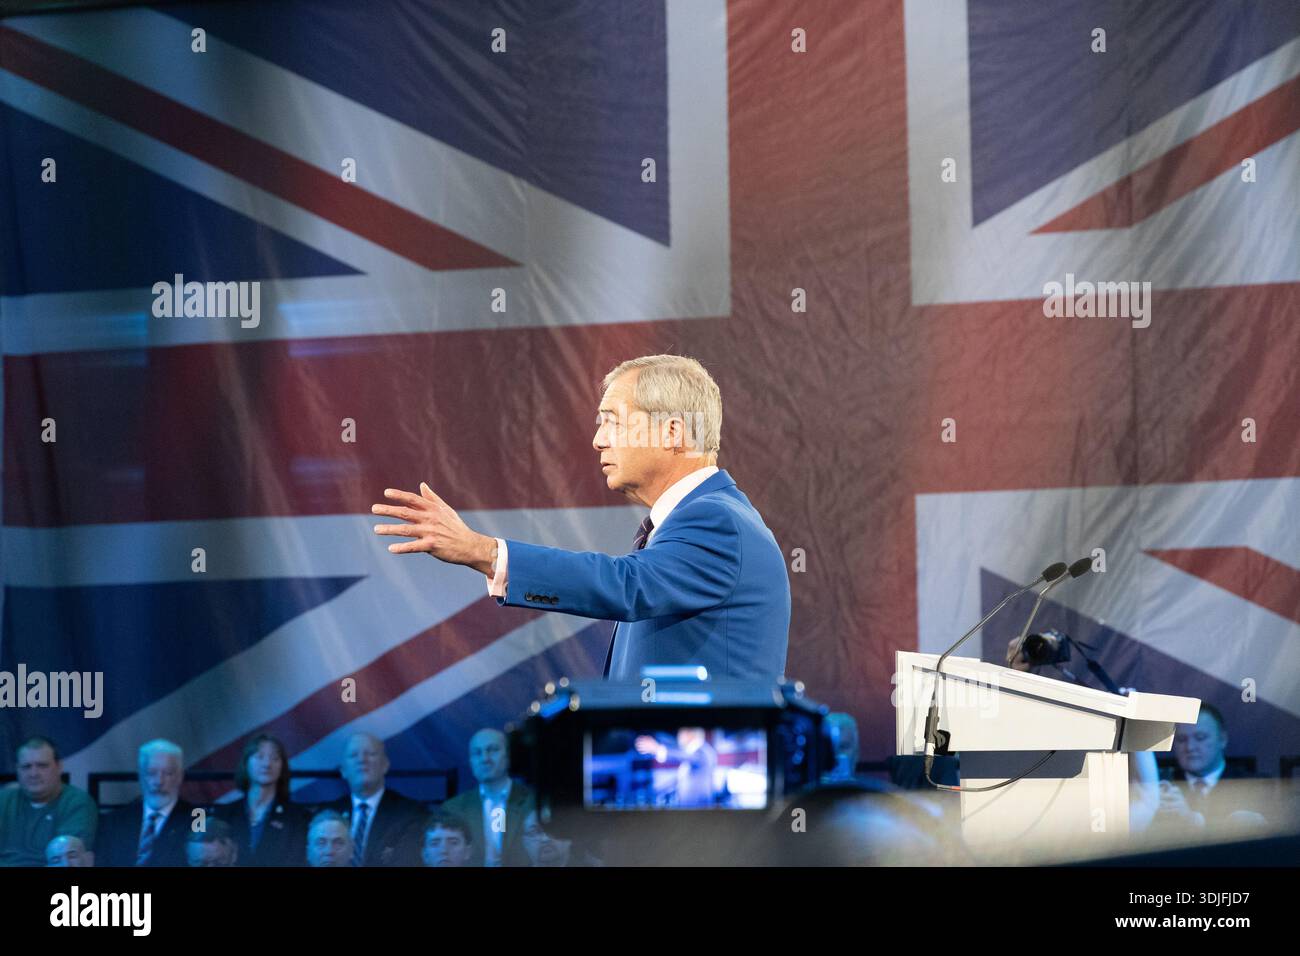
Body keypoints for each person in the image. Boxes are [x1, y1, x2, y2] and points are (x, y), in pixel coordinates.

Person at [371, 354, 791, 681]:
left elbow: (627, 585)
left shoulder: (717, 522)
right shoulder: (696, 520)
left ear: (673, 433)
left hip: (702, 785)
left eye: (612, 422)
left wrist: (483, 552)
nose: (597, 440)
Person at [326, 733, 425, 866]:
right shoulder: (328, 814)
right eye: (353, 755)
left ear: (385, 765)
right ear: (343, 770)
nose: (362, 760)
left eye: (371, 754)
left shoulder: (410, 814)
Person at [96, 739, 196, 867]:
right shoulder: (113, 823)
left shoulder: (196, 820)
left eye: (168, 773)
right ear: (140, 775)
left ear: (180, 776)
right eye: (151, 773)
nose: (159, 781)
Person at [212, 733, 308, 866]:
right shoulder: (224, 814)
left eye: (274, 758)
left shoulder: (297, 817)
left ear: (282, 766)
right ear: (246, 763)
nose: (267, 764)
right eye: (259, 757)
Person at [440, 728, 533, 866]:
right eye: (477, 753)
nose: (485, 759)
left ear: (508, 757)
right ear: (471, 762)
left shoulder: (533, 802)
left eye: (493, 750)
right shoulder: (453, 809)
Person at [0, 736, 98, 867]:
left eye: (42, 766)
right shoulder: (4, 799)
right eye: (26, 767)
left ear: (59, 767)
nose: (33, 773)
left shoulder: (77, 802)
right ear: (17, 769)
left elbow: (68, 860)